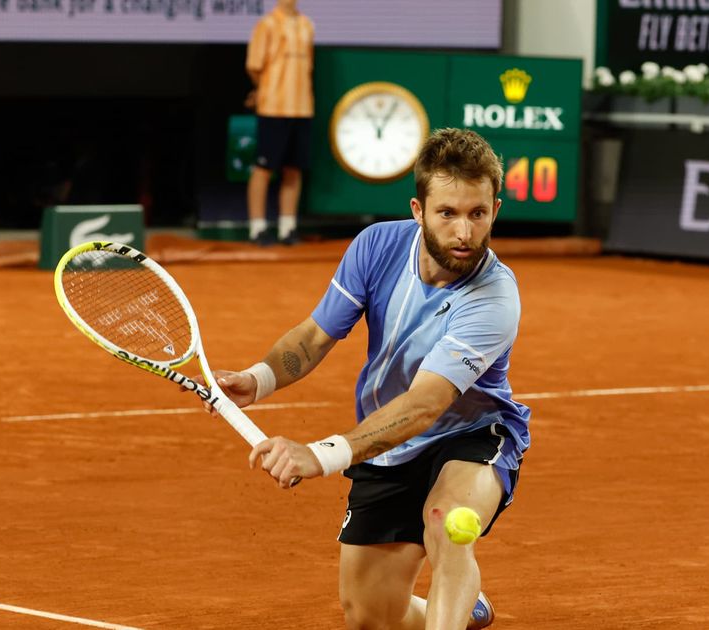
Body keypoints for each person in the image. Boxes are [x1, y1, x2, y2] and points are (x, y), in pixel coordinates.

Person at [204, 129, 527, 629]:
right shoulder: (377, 246)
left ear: (495, 210)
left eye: (477, 214)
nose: (464, 232)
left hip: (470, 435)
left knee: (447, 521)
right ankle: (463, 604)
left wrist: (322, 454)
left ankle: (452, 586)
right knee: (370, 618)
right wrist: (259, 378)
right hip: (386, 445)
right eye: (448, 213)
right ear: (418, 211)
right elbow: (314, 337)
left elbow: (425, 405)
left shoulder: (494, 298)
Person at [245, 0, 314, 247]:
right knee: (263, 168)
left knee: (293, 169)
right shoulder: (266, 25)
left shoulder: (307, 25)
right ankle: (257, 227)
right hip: (273, 106)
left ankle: (287, 227)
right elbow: (254, 66)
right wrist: (265, 89)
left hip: (302, 106)